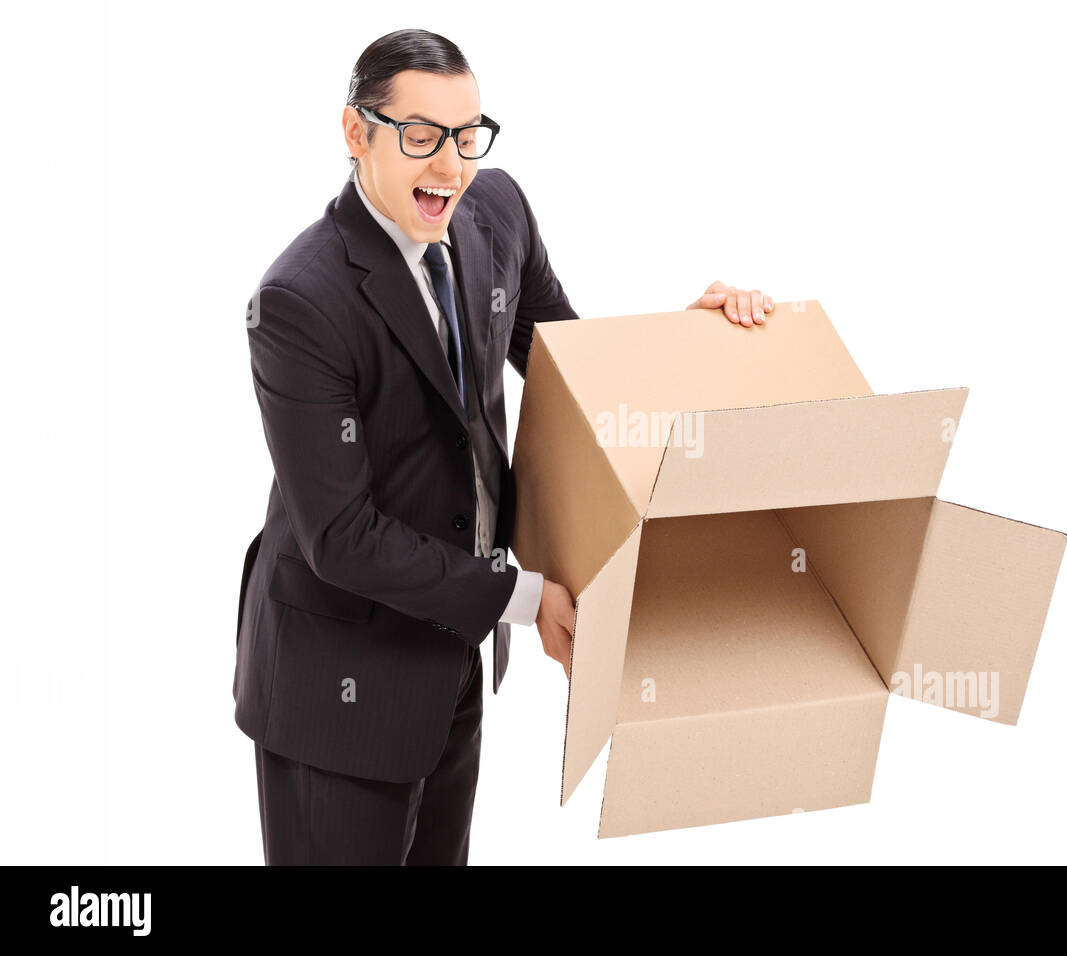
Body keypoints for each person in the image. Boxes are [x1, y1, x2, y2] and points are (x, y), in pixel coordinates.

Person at [234, 27, 775, 865]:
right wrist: (520, 596)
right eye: (422, 136)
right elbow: (340, 536)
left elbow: (570, 370)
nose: (451, 167)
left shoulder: (497, 213)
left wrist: (693, 337)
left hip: (451, 659)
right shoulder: (300, 301)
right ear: (356, 133)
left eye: (467, 135)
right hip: (337, 683)